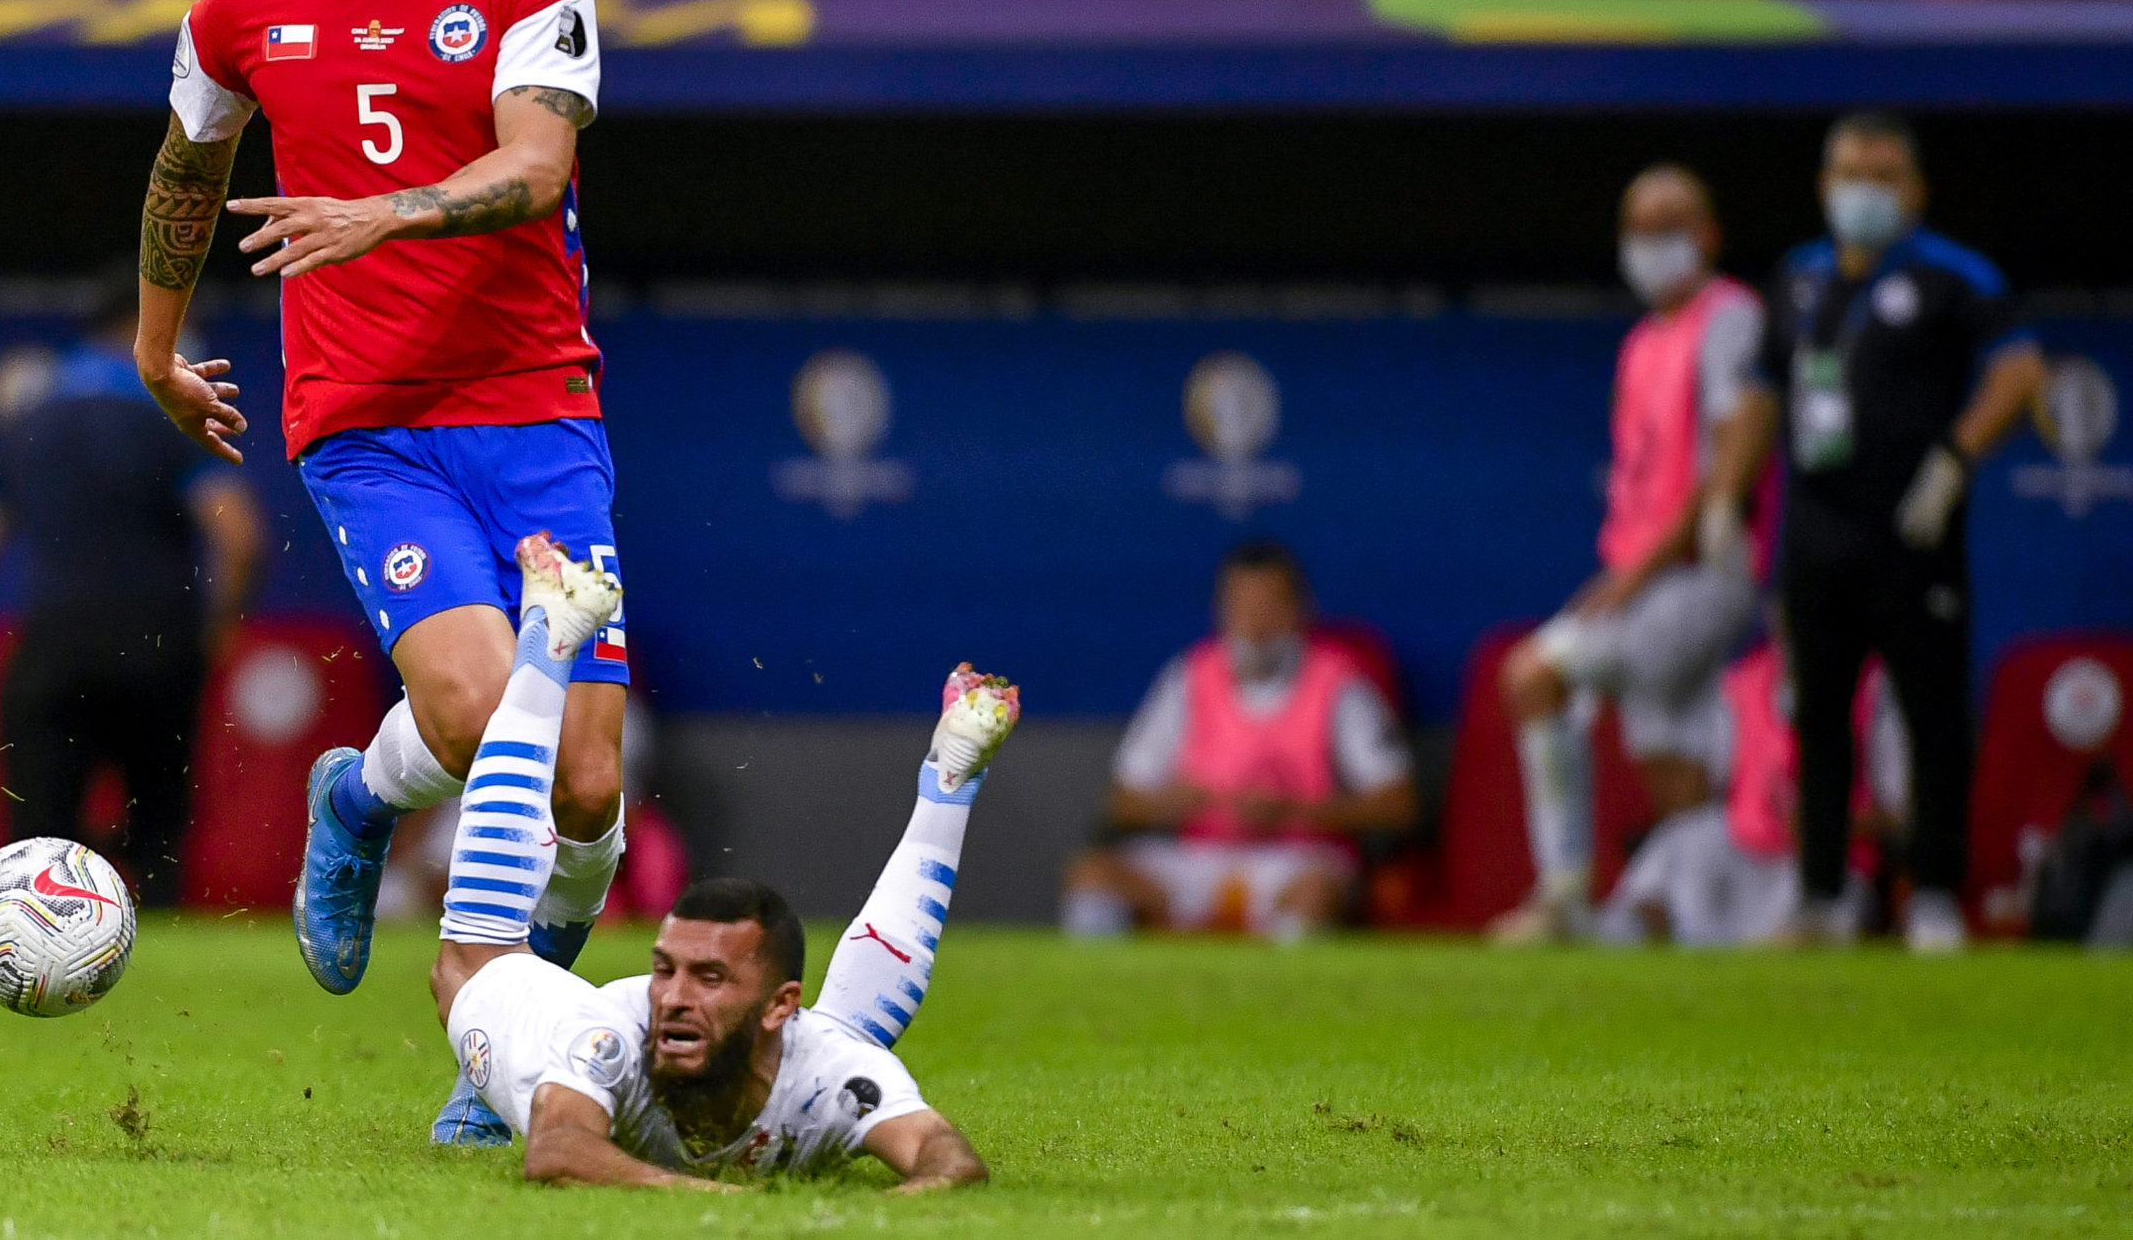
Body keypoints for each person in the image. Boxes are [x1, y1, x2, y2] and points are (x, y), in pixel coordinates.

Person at [136, 0, 624, 1137]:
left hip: (536, 405)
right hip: (369, 420)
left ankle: (361, 797)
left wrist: (386, 210)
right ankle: (507, 1066)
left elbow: (535, 168)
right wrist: (160, 350)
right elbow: (181, 169)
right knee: (489, 715)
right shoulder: (244, 0)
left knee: (589, 786)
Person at [422, 532, 1004, 1188]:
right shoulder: (612, 1036)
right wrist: (729, 1202)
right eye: (666, 969)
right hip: (534, 1018)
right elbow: (558, 1153)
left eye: (708, 977)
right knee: (469, 958)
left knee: (851, 1040)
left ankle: (949, 785)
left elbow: (950, 1160)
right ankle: (548, 640)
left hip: (787, 1051)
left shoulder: (827, 1065)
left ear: (783, 1007)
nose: (671, 997)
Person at [1700, 111, 2045, 953]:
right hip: (1817, 535)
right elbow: (1761, 395)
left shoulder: (1953, 276)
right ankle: (1821, 895)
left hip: (1913, 527)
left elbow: (2021, 369)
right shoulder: (1797, 278)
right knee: (1817, 715)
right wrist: (1723, 495)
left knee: (1931, 714)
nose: (1865, 190)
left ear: (1915, 189)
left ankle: (1931, 894)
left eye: (1884, 175)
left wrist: (1955, 461)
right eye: (1851, 173)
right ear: (1824, 186)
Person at [0, 279, 267, 906]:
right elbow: (242, 540)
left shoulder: (25, 420)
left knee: (35, 858)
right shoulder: (169, 418)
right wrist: (217, 631)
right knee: (158, 851)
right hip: (159, 649)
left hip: (52, 651)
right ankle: (171, 994)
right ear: (143, 329)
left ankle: (30, 976)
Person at [1489, 166, 1766, 944]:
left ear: (1708, 234)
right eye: (1638, 227)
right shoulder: (1643, 342)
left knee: (1534, 674)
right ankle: (1718, 926)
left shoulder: (1732, 317)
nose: (1653, 243)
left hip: (1697, 573)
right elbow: (1645, 483)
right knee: (1678, 780)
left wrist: (1635, 577)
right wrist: (1620, 576)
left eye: (1671, 222)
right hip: (1644, 581)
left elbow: (1728, 456)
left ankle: (1563, 893)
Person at [1060, 540, 1416, 941]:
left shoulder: (1340, 683)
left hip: (1295, 862)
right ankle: (1101, 998)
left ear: (1301, 608)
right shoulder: (1189, 676)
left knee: (1315, 892)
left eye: (1269, 606)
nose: (1256, 623)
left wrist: (1293, 811)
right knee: (1093, 875)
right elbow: (1123, 800)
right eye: (1243, 606)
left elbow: (1396, 804)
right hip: (1200, 860)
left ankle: (1284, 997)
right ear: (1221, 610)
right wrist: (1175, 802)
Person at [1596, 641, 1909, 947]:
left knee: (1820, 903)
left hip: (1828, 854)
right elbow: (1710, 784)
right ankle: (1622, 925)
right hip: (1743, 840)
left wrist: (1833, 822)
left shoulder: (1876, 687)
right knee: (1685, 836)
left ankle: (1788, 948)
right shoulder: (1745, 680)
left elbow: (1903, 814)